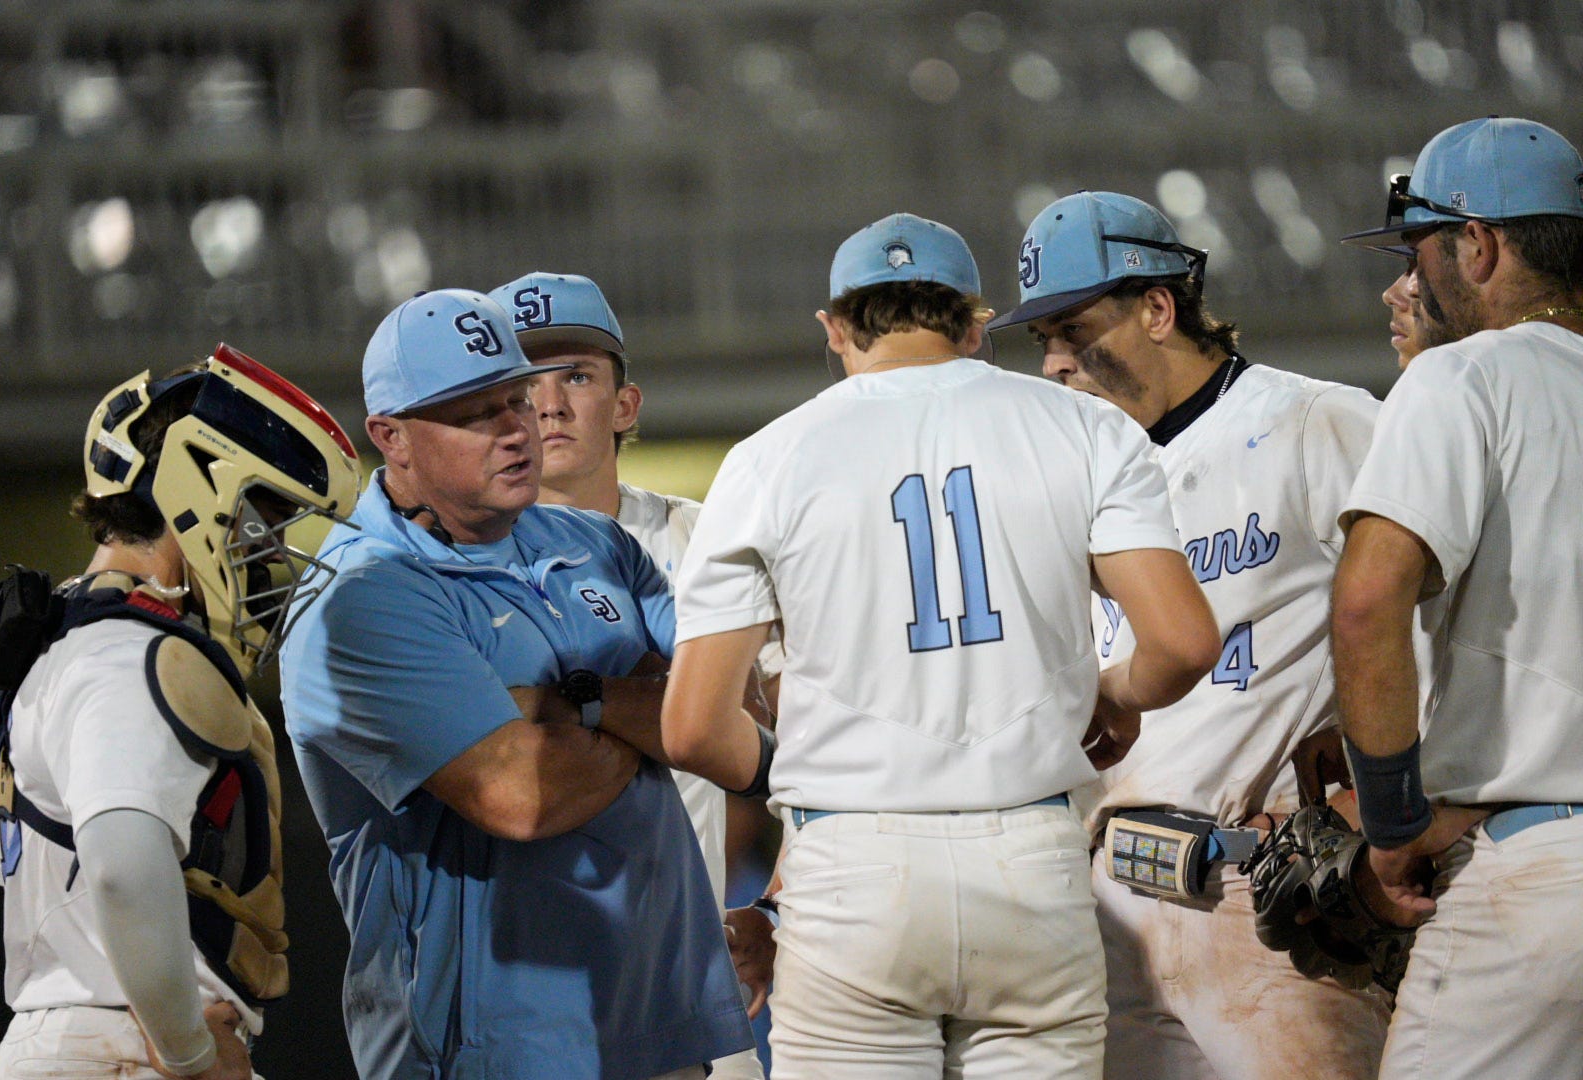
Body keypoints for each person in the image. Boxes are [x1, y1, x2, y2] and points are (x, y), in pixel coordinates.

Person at [661, 213, 1219, 1079]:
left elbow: (693, 728)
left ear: (835, 327)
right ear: (973, 325)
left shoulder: (767, 459)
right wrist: (1113, 693)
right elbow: (1182, 644)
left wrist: (809, 761)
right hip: (1032, 858)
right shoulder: (1082, 426)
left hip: (855, 868)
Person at [278, 288, 753, 1080]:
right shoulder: (359, 594)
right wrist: (636, 713)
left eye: (515, 400)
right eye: (471, 415)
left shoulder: (593, 539)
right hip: (491, 1046)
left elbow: (720, 713)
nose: (514, 430)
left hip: (658, 1023)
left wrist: (564, 704)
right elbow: (524, 797)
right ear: (390, 437)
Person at [984, 189, 1391, 1080]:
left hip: (1274, 898)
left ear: (1159, 309)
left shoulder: (1316, 421)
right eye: (1039, 340)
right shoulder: (1073, 479)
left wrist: (1390, 768)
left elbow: (1431, 612)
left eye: (1073, 330)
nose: (1053, 364)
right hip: (1111, 911)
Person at [0, 345, 362, 1079]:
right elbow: (122, 868)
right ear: (198, 485)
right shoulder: (125, 654)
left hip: (90, 1034)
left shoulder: (52, 639)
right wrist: (187, 1052)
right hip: (128, 1047)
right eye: (262, 519)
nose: (270, 550)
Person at [1333, 115, 1583, 1079]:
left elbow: (1367, 602)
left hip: (1536, 873)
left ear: (1476, 244)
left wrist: (1393, 822)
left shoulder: (1464, 376)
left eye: (1418, 247)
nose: (1410, 274)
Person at [492, 270, 778, 1079]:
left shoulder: (706, 542)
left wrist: (778, 903)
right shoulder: (452, 570)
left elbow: (808, 739)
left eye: (576, 376)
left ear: (625, 405)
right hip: (522, 981)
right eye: (522, 385)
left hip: (685, 978)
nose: (548, 404)